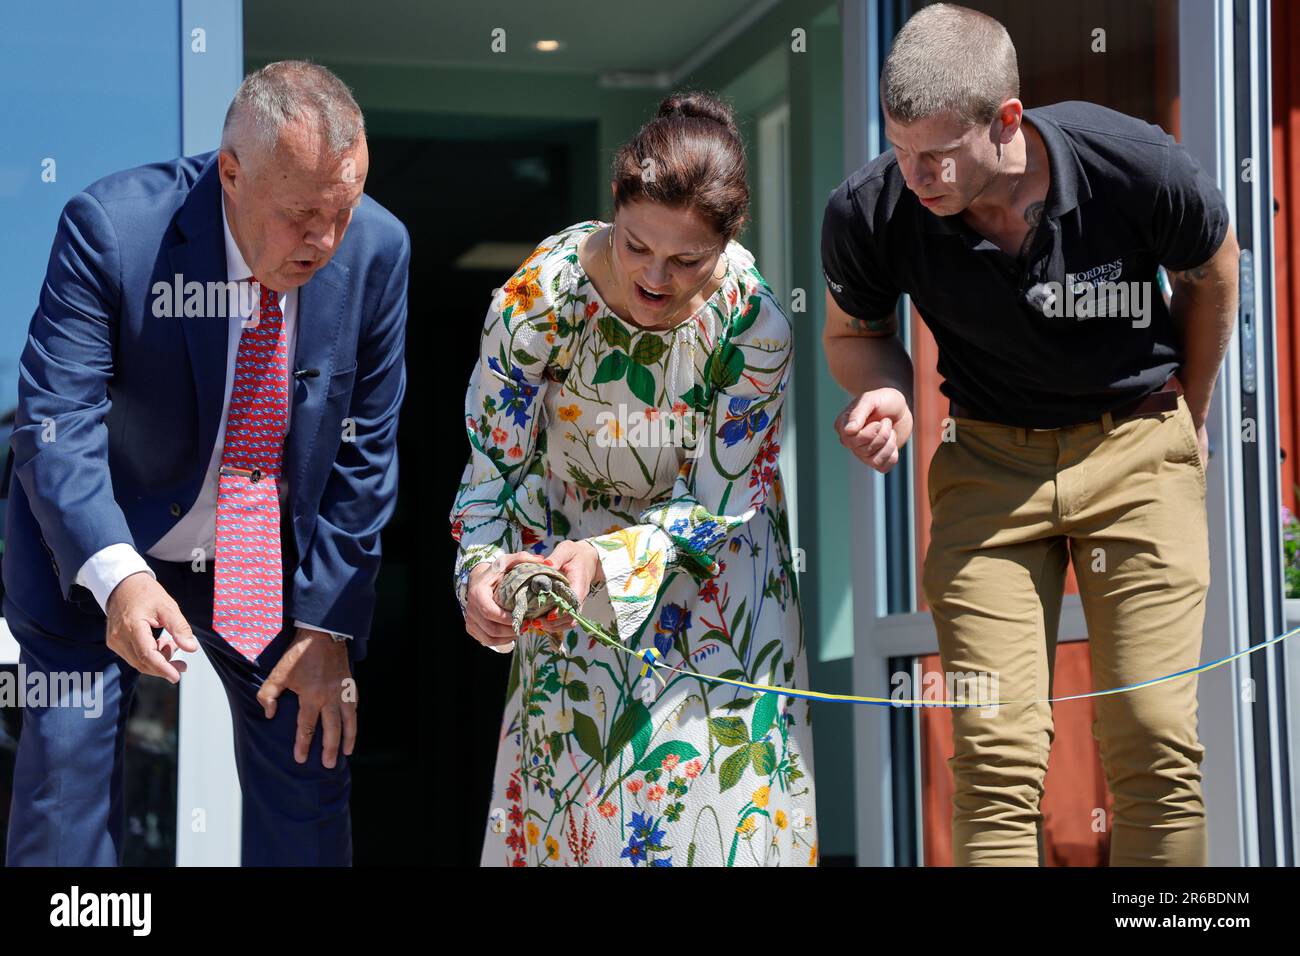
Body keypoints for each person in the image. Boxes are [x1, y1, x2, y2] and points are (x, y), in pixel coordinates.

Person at [821, 3, 1237, 866]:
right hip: (987, 470)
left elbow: (1213, 270)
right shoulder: (870, 210)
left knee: (1155, 734)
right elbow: (853, 335)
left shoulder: (1134, 164)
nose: (916, 173)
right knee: (994, 749)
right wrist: (890, 397)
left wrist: (1189, 416)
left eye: (936, 153)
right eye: (899, 148)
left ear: (1006, 120)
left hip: (1136, 448)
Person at [2, 60, 409, 866]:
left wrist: (328, 624)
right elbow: (57, 421)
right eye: (300, 215)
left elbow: (368, 448)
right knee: (66, 793)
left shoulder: (376, 250)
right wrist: (118, 576)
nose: (325, 240)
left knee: (309, 773)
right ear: (231, 172)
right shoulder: (114, 230)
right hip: (100, 550)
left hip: (260, 558)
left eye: (343, 208)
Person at [452, 91, 818, 867]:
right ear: (613, 211)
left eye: (686, 260)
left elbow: (720, 507)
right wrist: (482, 573)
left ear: (727, 244)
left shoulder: (754, 328)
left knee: (710, 822)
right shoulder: (536, 304)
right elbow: (494, 471)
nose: (655, 277)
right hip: (565, 575)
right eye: (635, 246)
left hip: (717, 585)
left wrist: (611, 560)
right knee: (584, 822)